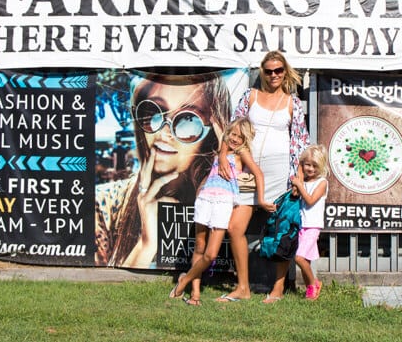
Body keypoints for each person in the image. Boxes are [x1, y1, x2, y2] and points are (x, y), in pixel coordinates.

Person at [94, 73, 231, 268]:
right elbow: (106, 286)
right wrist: (146, 244)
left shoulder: (223, 199)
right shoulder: (104, 204)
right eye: (154, 112)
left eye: (188, 120)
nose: (164, 132)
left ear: (213, 135)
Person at [216, 50, 310, 302]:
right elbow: (232, 129)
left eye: (278, 70)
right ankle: (243, 287)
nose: (273, 75)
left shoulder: (294, 103)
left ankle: (278, 288)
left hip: (281, 175)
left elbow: (301, 143)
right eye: (268, 71)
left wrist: (298, 179)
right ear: (262, 72)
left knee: (281, 231)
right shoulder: (250, 96)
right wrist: (223, 155)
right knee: (235, 228)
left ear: (285, 71)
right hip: (248, 174)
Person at [169, 117, 266, 306]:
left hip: (223, 203)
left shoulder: (242, 152)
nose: (235, 139)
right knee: (199, 246)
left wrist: (261, 200)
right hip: (205, 199)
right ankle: (195, 294)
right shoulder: (223, 148)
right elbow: (222, 134)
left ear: (246, 139)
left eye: (240, 136)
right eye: (232, 134)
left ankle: (184, 281)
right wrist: (222, 146)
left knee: (211, 254)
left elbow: (258, 173)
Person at [289, 144, 329, 301]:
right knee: (304, 259)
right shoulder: (303, 180)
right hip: (301, 224)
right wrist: (298, 182)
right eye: (307, 165)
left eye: (314, 166)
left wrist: (300, 185)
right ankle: (310, 287)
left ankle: (313, 285)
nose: (310, 169)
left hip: (312, 225)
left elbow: (311, 200)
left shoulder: (322, 182)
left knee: (298, 258)